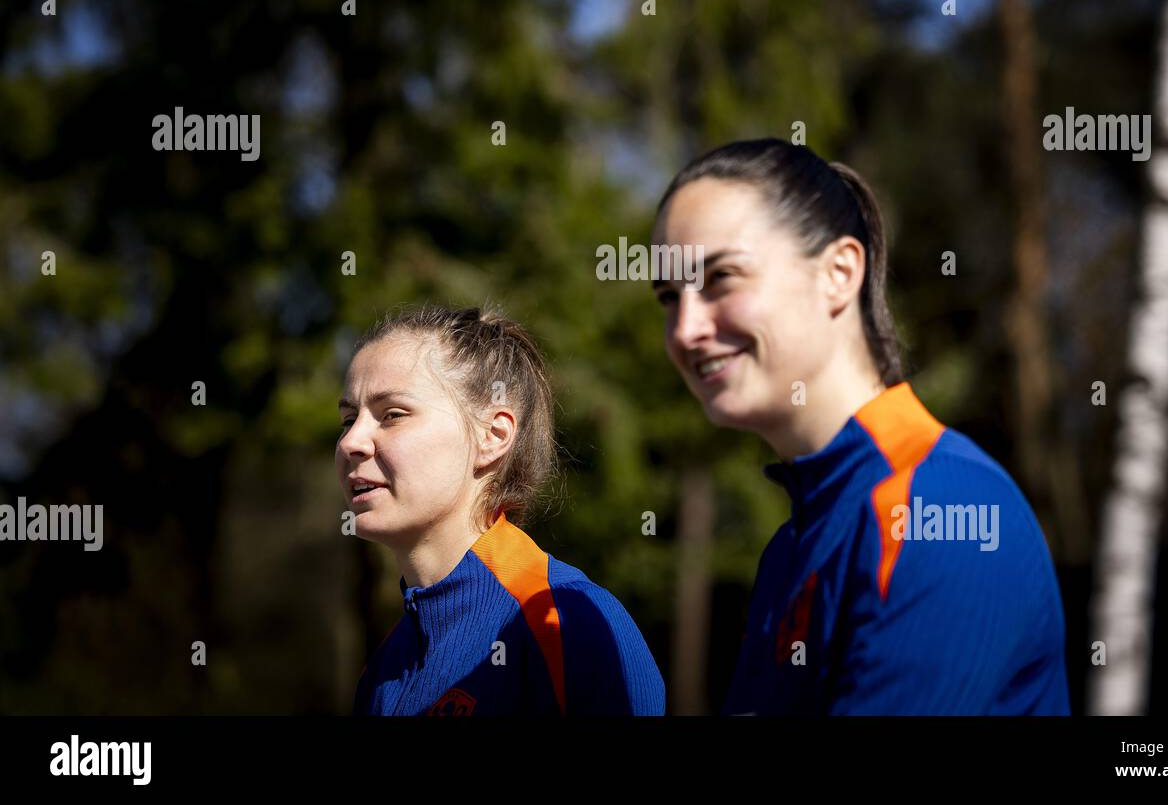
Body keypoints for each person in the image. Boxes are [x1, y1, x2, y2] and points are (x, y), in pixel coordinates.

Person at [650, 138, 1070, 715]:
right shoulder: (793, 546)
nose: (686, 328)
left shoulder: (944, 510)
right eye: (669, 297)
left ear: (839, 273)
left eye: (720, 277)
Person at [339, 304, 665, 715]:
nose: (352, 441)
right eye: (348, 419)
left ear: (493, 436)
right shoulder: (383, 669)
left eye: (393, 415)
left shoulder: (568, 622)